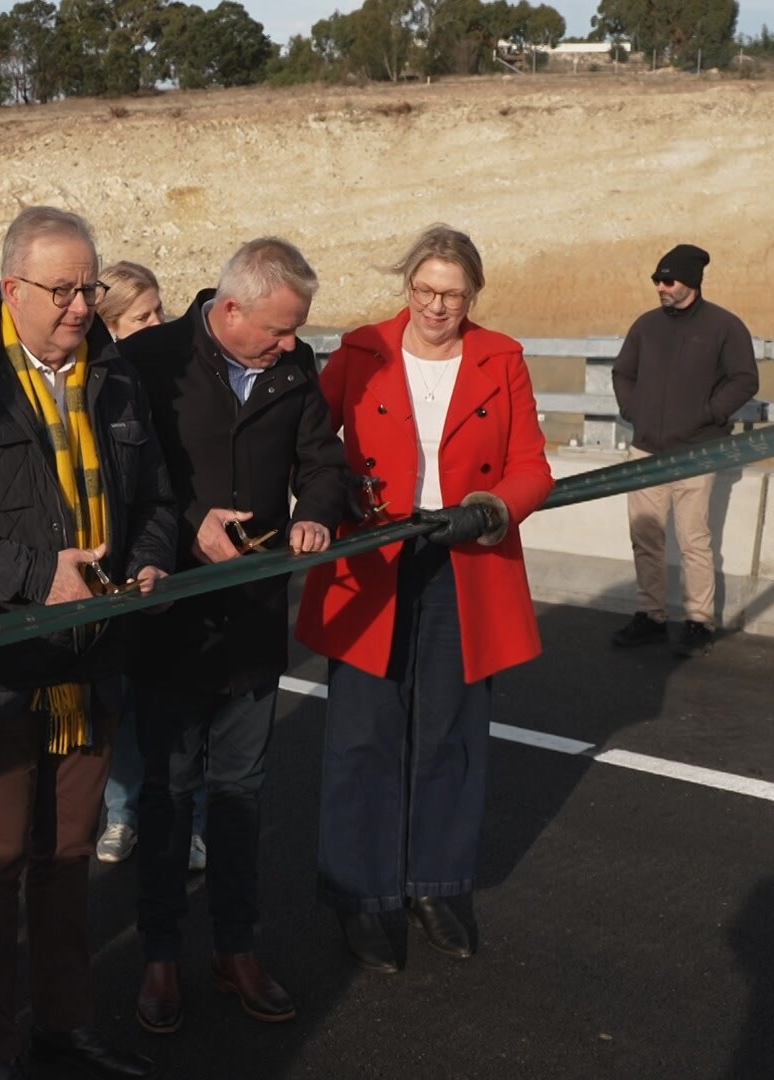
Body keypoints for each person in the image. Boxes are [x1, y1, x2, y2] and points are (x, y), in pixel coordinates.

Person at [0, 206, 175, 1080]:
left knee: (66, 859)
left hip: (93, 661)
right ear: (12, 287)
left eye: (89, 288)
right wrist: (33, 576)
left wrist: (146, 563)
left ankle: (63, 1024)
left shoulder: (119, 377)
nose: (79, 306)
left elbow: (156, 501)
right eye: (61, 290)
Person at [297, 225, 553, 973]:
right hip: (372, 558)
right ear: (407, 285)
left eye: (452, 293)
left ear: (474, 293)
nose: (436, 306)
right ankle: (361, 894)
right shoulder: (361, 350)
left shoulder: (501, 357)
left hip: (466, 557)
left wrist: (492, 506)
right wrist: (327, 494)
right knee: (362, 734)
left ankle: (436, 887)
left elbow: (533, 465)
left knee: (451, 732)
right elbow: (314, 442)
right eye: (424, 290)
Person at [122, 237, 347, 1034]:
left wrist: (317, 510)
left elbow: (323, 461)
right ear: (230, 310)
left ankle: (236, 948)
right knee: (165, 794)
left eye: (297, 333)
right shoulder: (149, 361)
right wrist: (188, 527)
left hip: (253, 622)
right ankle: (158, 956)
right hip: (170, 620)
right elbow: (129, 479)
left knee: (243, 794)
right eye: (279, 330)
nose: (291, 345)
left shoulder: (295, 368)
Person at [89, 261, 206, 871]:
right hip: (119, 564)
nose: (159, 324)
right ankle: (123, 812)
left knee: (184, 706)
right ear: (109, 327)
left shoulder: (178, 377)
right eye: (144, 316)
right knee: (123, 700)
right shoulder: (104, 385)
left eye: (161, 311)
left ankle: (193, 820)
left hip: (174, 558)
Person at [609, 244, 759, 658]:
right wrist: (632, 409)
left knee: (694, 539)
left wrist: (709, 414)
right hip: (646, 450)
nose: (660, 286)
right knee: (646, 537)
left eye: (668, 280)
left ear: (690, 282)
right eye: (657, 279)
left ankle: (698, 622)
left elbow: (745, 379)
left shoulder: (724, 327)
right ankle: (650, 616)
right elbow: (623, 372)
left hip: (696, 453)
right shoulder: (646, 326)